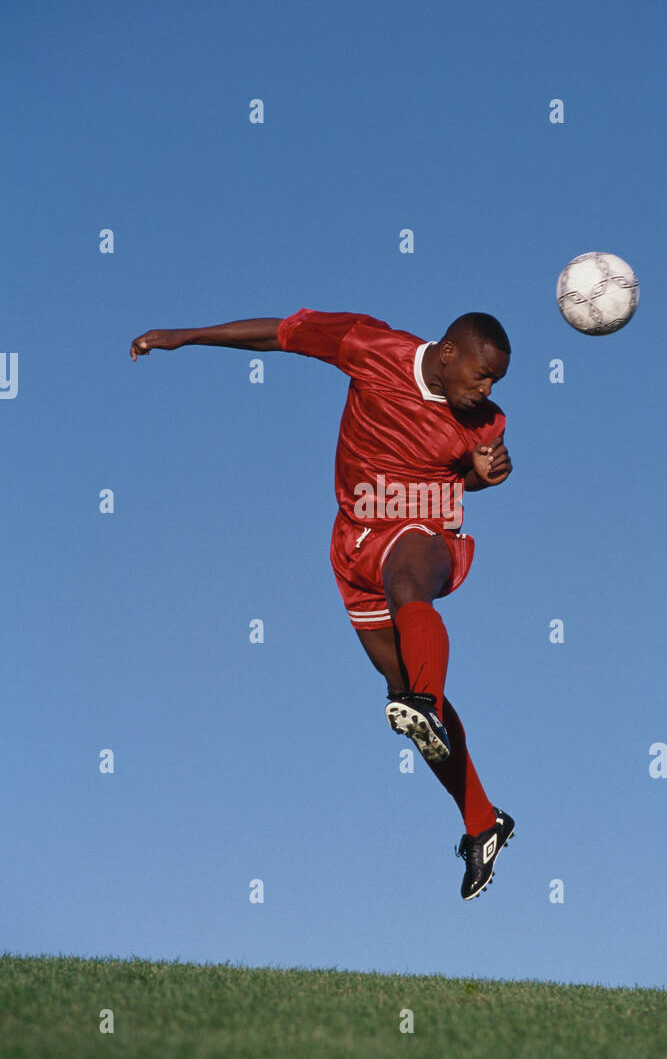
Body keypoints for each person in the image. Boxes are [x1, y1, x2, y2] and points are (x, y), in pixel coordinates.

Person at [130, 308, 515, 899]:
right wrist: (185, 335)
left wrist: (486, 473)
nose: (486, 391)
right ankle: (482, 822)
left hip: (424, 528)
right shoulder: (371, 346)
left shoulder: (485, 419)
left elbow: (470, 475)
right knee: (400, 690)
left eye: (495, 383)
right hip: (354, 543)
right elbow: (279, 334)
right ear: (446, 355)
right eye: (482, 375)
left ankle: (428, 702)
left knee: (411, 606)